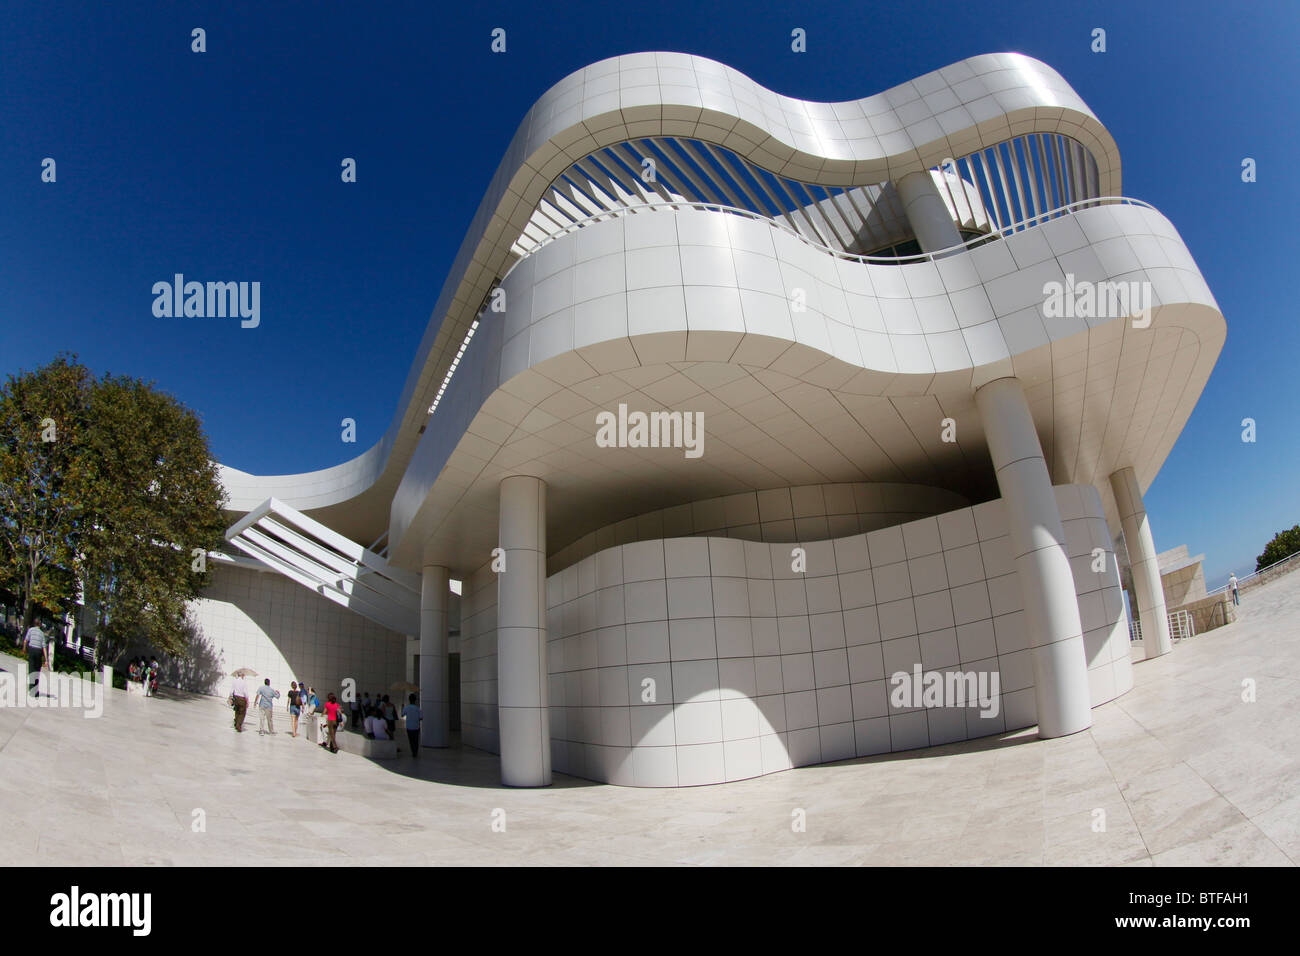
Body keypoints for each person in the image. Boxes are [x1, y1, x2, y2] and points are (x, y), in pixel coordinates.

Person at [19, 622, 49, 696]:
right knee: (37, 670)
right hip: (38, 651)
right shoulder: (42, 633)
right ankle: (35, 690)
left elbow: (26, 640)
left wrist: (24, 649)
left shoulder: (31, 630)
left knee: (31, 669)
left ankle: (31, 687)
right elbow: (44, 647)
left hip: (32, 650)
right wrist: (46, 660)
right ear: (40, 626)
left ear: (34, 624)